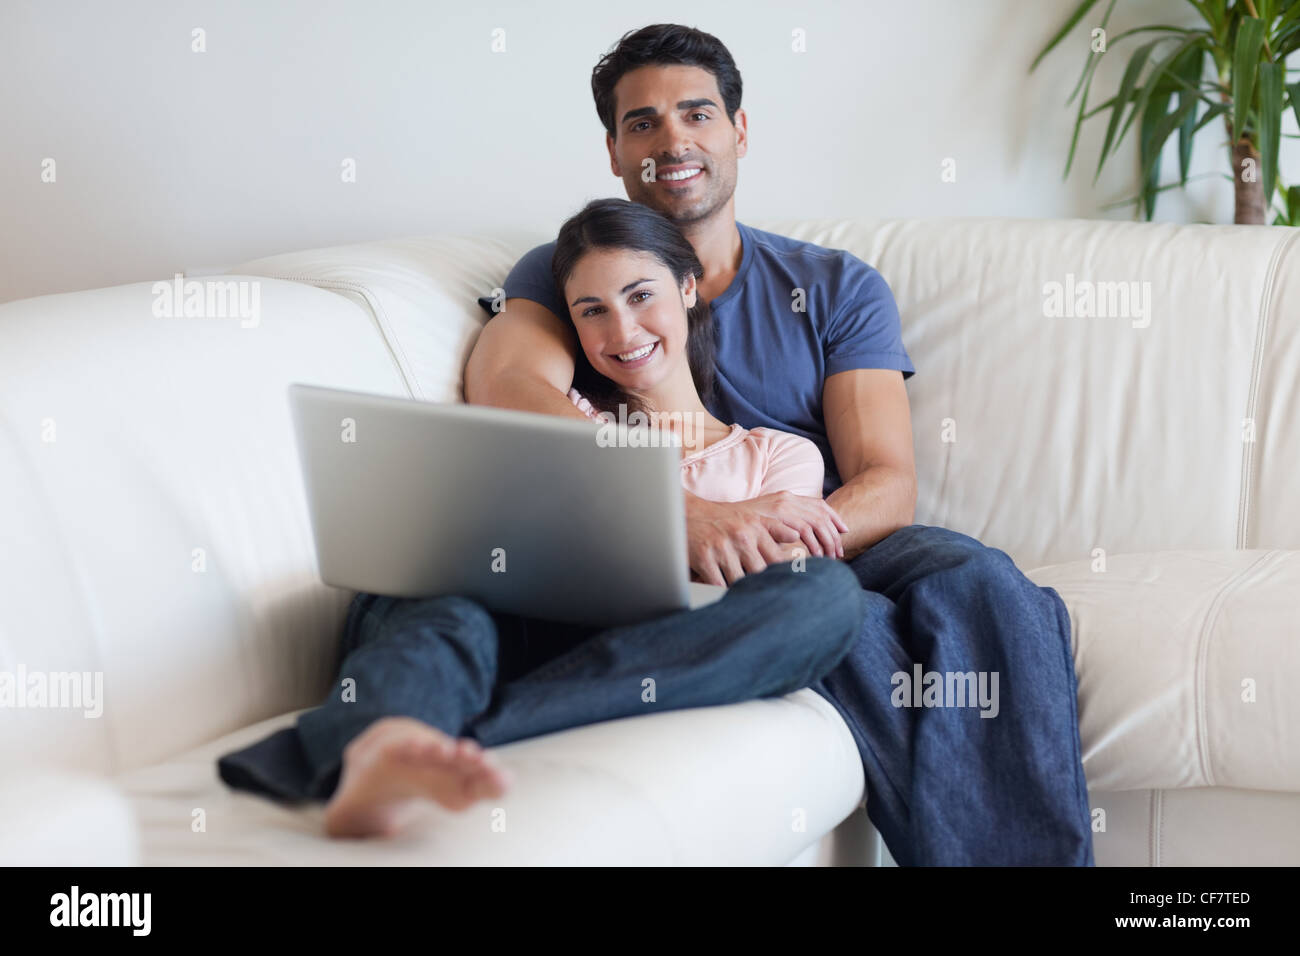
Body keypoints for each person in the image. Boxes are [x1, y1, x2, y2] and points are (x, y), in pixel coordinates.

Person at [465, 23, 1094, 865]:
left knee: (987, 581)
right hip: (659, 531)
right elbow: (510, 390)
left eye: (696, 113)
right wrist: (674, 516)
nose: (673, 140)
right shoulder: (567, 270)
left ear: (740, 131)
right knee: (859, 630)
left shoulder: (836, 286)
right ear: (614, 151)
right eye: (642, 123)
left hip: (825, 531)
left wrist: (774, 544)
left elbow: (885, 481)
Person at [216, 198, 868, 839]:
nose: (622, 331)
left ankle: (437, 734)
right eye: (593, 311)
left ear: (689, 288)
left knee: (827, 600)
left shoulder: (777, 455)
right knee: (436, 602)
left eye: (641, 296)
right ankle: (393, 740)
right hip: (506, 622)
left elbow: (766, 581)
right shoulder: (562, 419)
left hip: (650, 644)